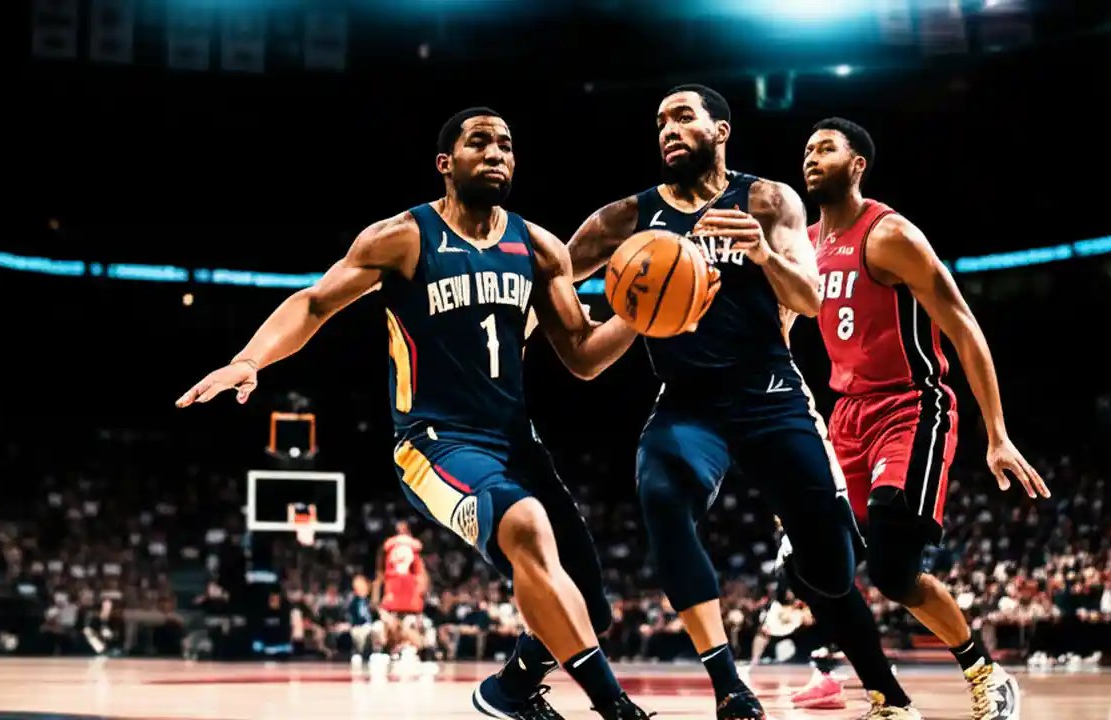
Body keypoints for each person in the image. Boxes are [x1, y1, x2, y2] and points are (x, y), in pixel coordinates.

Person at [176, 107, 650, 720]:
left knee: (590, 602)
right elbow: (315, 303)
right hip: (434, 443)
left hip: (515, 442)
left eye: (507, 144)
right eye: (481, 142)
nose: (497, 154)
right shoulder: (403, 238)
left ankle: (508, 692)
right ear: (445, 164)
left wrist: (638, 318)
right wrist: (250, 360)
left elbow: (584, 357)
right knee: (528, 526)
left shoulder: (540, 249)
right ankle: (615, 707)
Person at [561, 84, 921, 719]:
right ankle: (729, 684)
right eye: (660, 120)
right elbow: (550, 271)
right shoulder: (628, 218)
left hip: (772, 395)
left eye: (683, 117)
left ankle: (882, 687)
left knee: (830, 571)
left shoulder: (768, 199)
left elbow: (810, 299)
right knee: (662, 495)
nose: (668, 129)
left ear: (720, 131)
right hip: (688, 403)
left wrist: (759, 250)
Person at [803, 116, 1052, 720]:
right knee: (808, 561)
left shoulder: (889, 235)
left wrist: (997, 433)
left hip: (911, 406)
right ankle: (875, 691)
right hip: (845, 415)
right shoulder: (805, 244)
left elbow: (963, 323)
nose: (811, 157)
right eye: (807, 149)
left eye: (826, 148)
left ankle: (985, 672)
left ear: (857, 164)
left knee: (891, 569)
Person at [374, 521, 428, 659]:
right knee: (383, 629)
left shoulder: (416, 561)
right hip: (391, 609)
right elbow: (377, 586)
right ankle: (389, 650)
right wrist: (382, 611)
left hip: (410, 610)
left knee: (411, 631)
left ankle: (412, 649)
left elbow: (423, 582)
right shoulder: (385, 564)